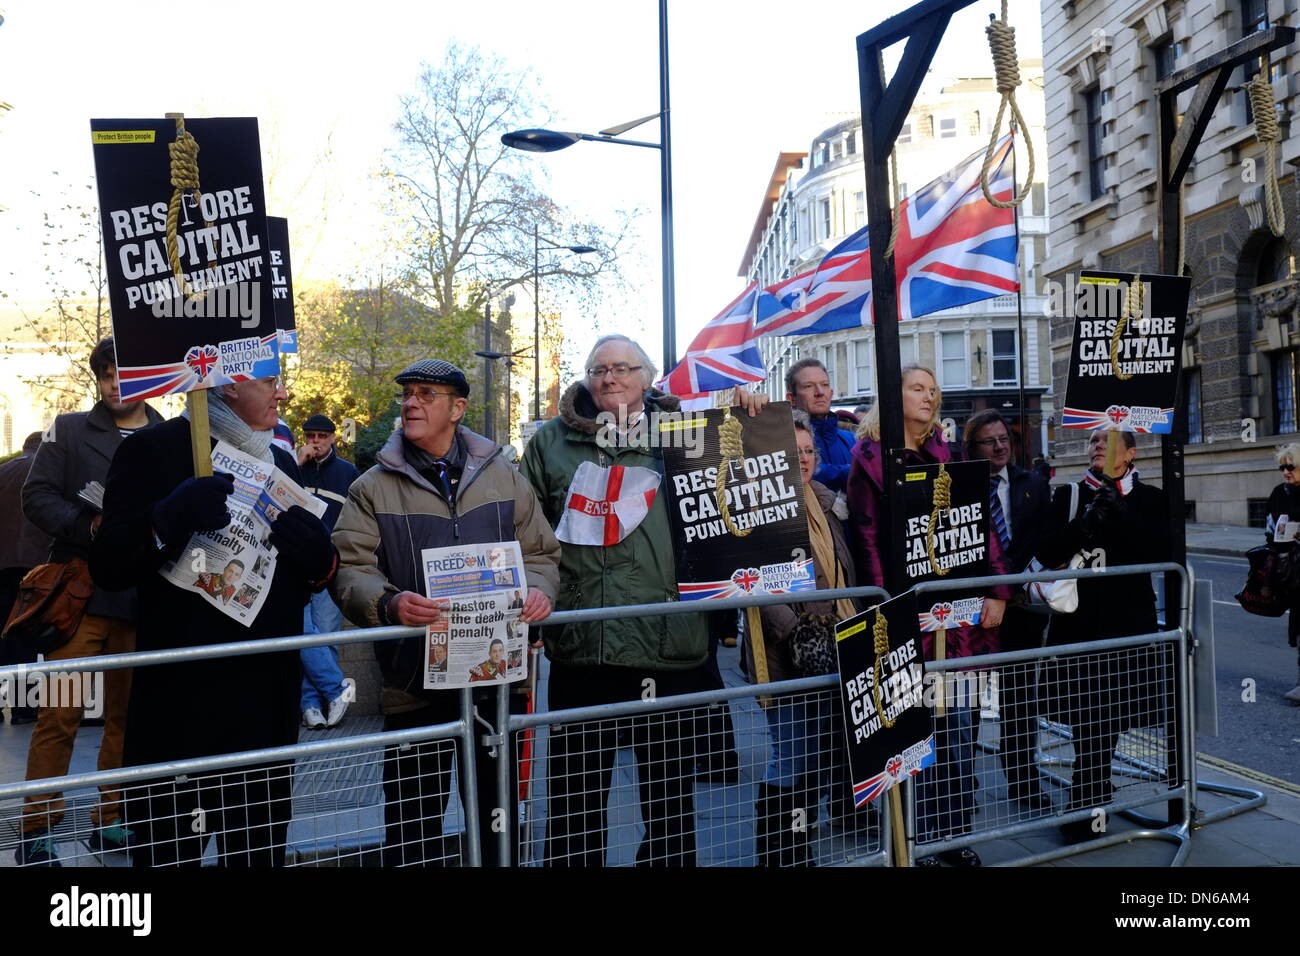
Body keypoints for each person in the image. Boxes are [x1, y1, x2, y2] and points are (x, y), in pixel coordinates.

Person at [521, 334, 754, 867]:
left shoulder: (689, 435)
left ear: (648, 378)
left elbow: (747, 478)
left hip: (668, 647)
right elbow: (525, 532)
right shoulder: (549, 443)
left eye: (623, 368)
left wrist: (750, 413)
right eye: (598, 368)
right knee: (574, 807)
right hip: (584, 646)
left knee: (670, 806)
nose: (610, 378)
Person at [90, 371, 337, 867]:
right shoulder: (152, 450)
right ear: (226, 385)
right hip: (180, 711)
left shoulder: (282, 458)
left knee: (258, 854)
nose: (283, 393)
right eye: (269, 381)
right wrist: (166, 519)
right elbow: (110, 567)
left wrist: (318, 561)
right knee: (168, 857)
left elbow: (309, 577)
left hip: (265, 708)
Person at [331, 359, 558, 867]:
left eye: (426, 393)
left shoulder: (506, 477)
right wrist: (388, 602)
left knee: (498, 816)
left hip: (495, 684)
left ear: (457, 408)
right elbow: (349, 565)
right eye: (407, 393)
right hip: (413, 683)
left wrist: (540, 592)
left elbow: (541, 554)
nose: (411, 402)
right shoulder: (372, 486)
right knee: (413, 827)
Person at [846, 364, 1010, 867]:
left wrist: (1000, 590)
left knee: (959, 730)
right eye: (917, 387)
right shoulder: (869, 460)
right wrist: (887, 610)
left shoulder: (949, 454)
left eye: (933, 390)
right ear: (891, 396)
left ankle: (955, 837)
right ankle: (918, 841)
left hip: (957, 626)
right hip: (906, 624)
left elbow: (979, 529)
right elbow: (868, 540)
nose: (929, 396)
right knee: (915, 736)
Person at [16, 338, 163, 866]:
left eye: (124, 373)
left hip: (143, 598)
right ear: (97, 380)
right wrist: (89, 523)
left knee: (128, 718)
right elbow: (36, 496)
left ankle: (112, 818)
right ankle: (37, 826)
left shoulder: (173, 433)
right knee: (60, 715)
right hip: (81, 598)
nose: (115, 385)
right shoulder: (71, 429)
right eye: (105, 376)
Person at [1034, 428, 1172, 844]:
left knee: (1112, 710)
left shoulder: (1150, 498)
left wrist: (1123, 512)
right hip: (1079, 620)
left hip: (1127, 621)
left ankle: (1092, 789)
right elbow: (1047, 552)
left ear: (1130, 453)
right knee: (1083, 710)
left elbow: (1157, 552)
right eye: (1094, 440)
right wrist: (1086, 522)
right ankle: (1088, 791)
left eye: (1108, 441)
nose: (1098, 445)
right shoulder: (1069, 496)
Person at [744, 412, 859, 866]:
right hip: (787, 655)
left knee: (816, 760)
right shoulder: (760, 509)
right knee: (790, 759)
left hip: (838, 646)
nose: (804, 458)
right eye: (794, 452)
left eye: (809, 450)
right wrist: (796, 632)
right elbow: (750, 582)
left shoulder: (828, 504)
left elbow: (846, 573)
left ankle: (799, 846)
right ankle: (778, 853)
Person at [962, 410, 1053, 810]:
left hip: (1020, 607)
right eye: (989, 441)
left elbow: (1043, 539)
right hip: (976, 607)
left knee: (1019, 701)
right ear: (972, 447)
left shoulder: (1033, 482)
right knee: (966, 701)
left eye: (1004, 439)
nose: (999, 447)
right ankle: (962, 790)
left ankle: (1024, 783)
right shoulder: (960, 486)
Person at [295, 413, 361, 730]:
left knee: (325, 636)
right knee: (305, 633)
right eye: (311, 436)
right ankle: (335, 691)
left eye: (322, 436)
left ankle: (311, 704)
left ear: (333, 437)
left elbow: (357, 520)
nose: (316, 442)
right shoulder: (294, 467)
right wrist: (296, 463)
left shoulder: (347, 472)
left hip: (331, 567)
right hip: (294, 565)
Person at [0, 432, 53, 726]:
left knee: (4, 633)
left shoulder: (3, 470)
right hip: (37, 565)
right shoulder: (46, 470)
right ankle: (25, 707)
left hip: (3, 564)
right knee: (30, 634)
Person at [1264, 443, 1300, 703]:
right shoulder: (1279, 493)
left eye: (1291, 466)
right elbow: (1269, 526)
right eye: (1282, 467)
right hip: (1293, 571)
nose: (1286, 471)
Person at [785, 359, 854, 492]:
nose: (819, 392)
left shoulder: (853, 439)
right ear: (791, 398)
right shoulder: (784, 442)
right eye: (808, 386)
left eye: (825, 384)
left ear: (831, 393)